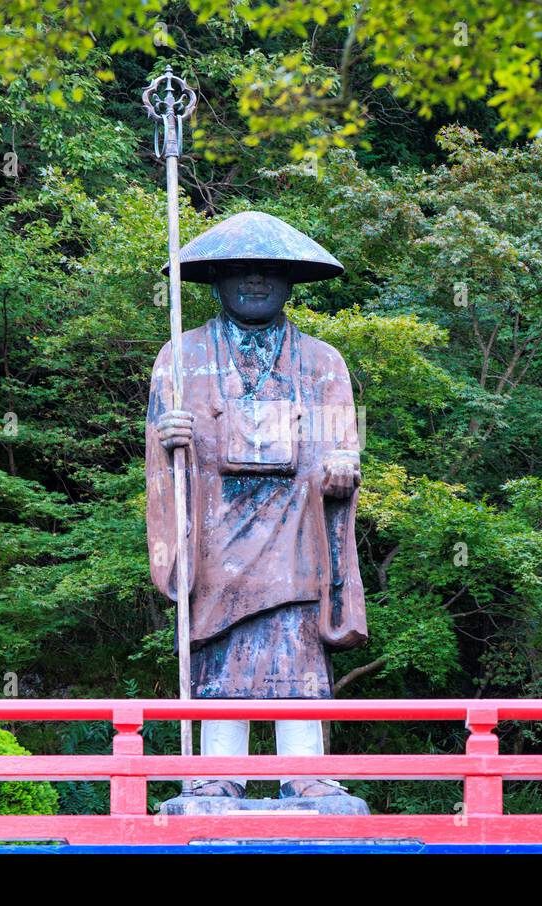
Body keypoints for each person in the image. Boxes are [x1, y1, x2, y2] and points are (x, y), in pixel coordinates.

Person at [145, 210, 367, 799]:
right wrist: (170, 438)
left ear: (290, 281)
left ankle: (307, 774)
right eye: (241, 271)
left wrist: (341, 466)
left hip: (296, 531)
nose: (254, 281)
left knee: (296, 646)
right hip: (215, 534)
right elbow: (159, 464)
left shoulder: (322, 362)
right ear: (216, 279)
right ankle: (218, 776)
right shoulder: (181, 356)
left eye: (268, 271)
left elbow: (342, 441)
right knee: (220, 657)